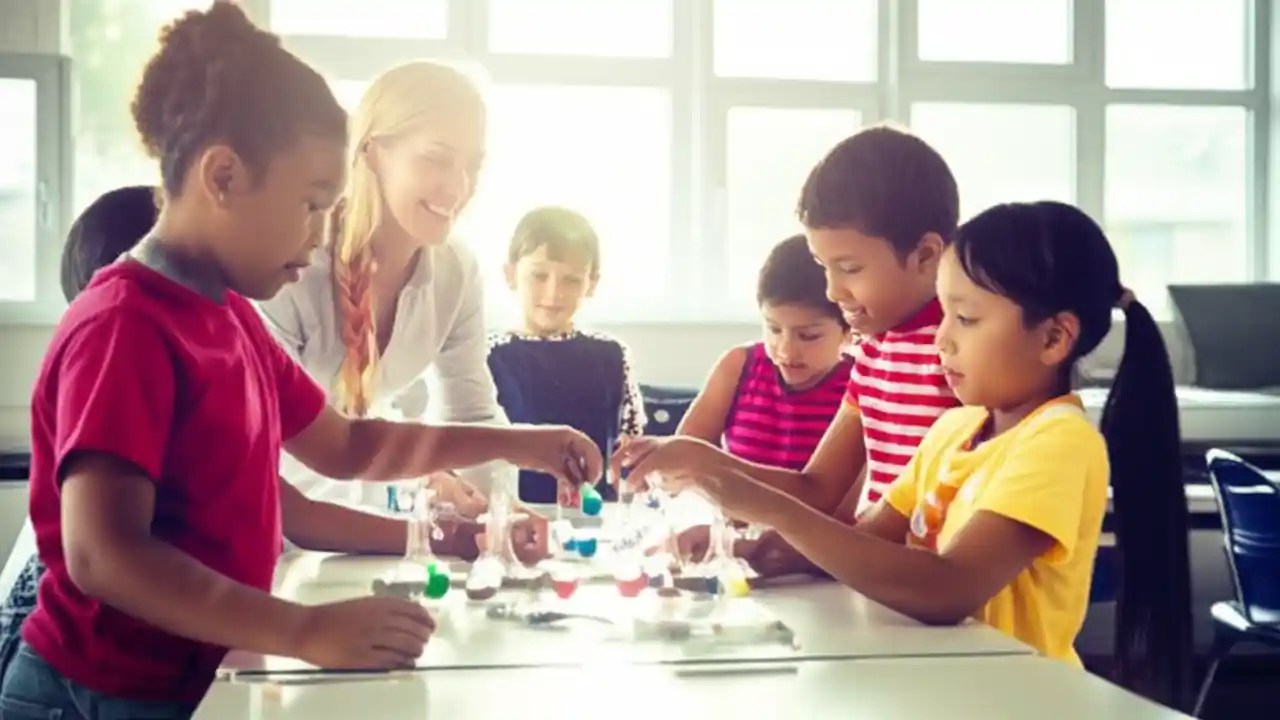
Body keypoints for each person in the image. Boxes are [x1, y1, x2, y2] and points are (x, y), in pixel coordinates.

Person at [1, 6, 601, 718]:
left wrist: (521, 440)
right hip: (97, 693)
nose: (321, 237)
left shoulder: (228, 321)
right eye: (312, 206)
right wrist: (304, 628)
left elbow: (352, 444)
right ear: (222, 176)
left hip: (196, 672)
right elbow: (104, 555)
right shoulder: (124, 327)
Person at [638, 201, 1193, 710]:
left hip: (1015, 703)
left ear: (1053, 339)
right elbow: (866, 540)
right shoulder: (955, 430)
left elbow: (946, 587)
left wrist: (766, 505)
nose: (941, 341)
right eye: (945, 316)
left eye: (967, 319)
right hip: (936, 690)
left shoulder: (1060, 443)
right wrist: (740, 546)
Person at [616, 125, 960, 572]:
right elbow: (817, 489)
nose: (833, 291)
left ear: (926, 255)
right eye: (823, 267)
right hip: (884, 594)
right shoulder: (875, 356)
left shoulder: (961, 354)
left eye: (850, 268)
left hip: (951, 608)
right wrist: (707, 468)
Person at [258, 59, 504, 514]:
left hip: (369, 524)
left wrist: (495, 515)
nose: (459, 186)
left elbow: (473, 415)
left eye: (473, 165)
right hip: (276, 527)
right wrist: (414, 490)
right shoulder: (292, 261)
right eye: (436, 158)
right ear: (371, 153)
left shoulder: (457, 272)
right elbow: (272, 448)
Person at [487, 207, 645, 502]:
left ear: (592, 283)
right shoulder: (487, 355)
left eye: (571, 280)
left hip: (595, 518)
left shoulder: (613, 355)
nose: (553, 293)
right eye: (539, 275)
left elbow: (630, 444)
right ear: (510, 274)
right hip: (516, 516)